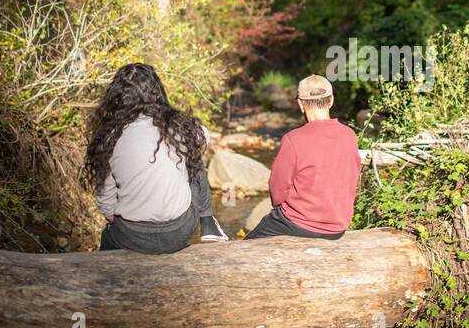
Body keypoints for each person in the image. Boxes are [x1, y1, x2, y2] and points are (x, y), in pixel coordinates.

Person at [82, 62, 228, 254]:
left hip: (131, 236)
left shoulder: (108, 138)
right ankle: (208, 221)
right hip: (179, 231)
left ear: (116, 98)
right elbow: (204, 137)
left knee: (108, 236)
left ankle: (104, 275)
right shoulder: (177, 126)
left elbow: (106, 203)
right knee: (194, 158)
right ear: (156, 92)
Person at [245, 73, 361, 241]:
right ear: (331, 100)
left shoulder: (294, 139)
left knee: (247, 246)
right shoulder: (349, 135)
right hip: (338, 226)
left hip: (299, 224)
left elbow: (278, 190)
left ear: (300, 104)